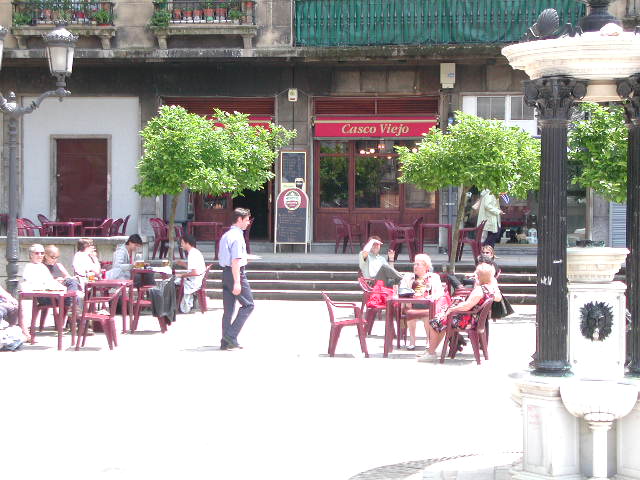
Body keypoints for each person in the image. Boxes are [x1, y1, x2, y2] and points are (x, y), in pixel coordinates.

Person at [417, 263, 501, 362]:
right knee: (440, 320)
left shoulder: (479, 290)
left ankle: (431, 352)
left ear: (479, 276)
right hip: (474, 319)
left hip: (467, 321)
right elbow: (498, 298)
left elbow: (466, 306)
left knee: (435, 322)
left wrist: (451, 309)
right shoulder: (490, 288)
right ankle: (432, 350)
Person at [218, 208, 255, 350]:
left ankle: (225, 341)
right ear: (239, 220)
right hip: (235, 273)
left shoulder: (226, 235)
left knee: (228, 310)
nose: (248, 223)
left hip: (225, 273)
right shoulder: (237, 236)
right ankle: (230, 336)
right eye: (246, 220)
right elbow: (235, 261)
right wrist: (238, 282)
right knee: (248, 305)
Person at [398, 253, 445, 351]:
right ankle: (412, 340)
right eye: (415, 264)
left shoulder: (433, 277)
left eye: (418, 264)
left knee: (427, 314)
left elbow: (440, 292)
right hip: (411, 304)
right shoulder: (408, 277)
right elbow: (402, 290)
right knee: (409, 311)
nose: (415, 266)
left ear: (426, 266)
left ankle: (428, 340)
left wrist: (432, 296)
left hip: (427, 305)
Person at [43, 244, 83, 311]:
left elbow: (68, 277)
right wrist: (55, 281)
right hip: (51, 294)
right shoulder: (42, 267)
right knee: (76, 299)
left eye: (57, 257)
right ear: (46, 255)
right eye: (52, 257)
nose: (55, 259)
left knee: (72, 282)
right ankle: (72, 306)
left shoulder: (59, 265)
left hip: (61, 293)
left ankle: (72, 316)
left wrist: (64, 280)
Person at [174, 233, 206, 314]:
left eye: (182, 243)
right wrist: (183, 264)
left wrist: (182, 275)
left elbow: (195, 272)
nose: (181, 245)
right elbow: (194, 268)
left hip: (194, 282)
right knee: (174, 279)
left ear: (187, 243)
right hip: (197, 279)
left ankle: (173, 305)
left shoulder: (192, 254)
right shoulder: (195, 252)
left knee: (170, 282)